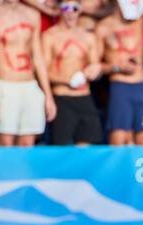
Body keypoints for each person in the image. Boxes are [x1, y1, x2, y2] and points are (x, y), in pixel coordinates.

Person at [0, 0, 55, 146]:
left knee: (28, 141)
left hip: (29, 85)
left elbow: (38, 57)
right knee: (5, 142)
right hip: (5, 85)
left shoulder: (32, 15)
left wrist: (48, 95)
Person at [97, 0, 143, 146]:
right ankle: (120, 169)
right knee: (119, 139)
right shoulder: (103, 27)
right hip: (120, 86)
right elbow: (95, 67)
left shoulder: (139, 20)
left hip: (141, 85)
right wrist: (116, 67)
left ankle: (142, 170)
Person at [43, 0, 104, 145]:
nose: (70, 13)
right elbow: (43, 72)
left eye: (74, 9)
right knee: (61, 148)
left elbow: (96, 67)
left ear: (80, 10)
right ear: (59, 10)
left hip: (84, 97)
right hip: (62, 97)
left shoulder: (88, 37)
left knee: (88, 146)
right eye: (66, 8)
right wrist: (68, 80)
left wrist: (94, 71)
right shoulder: (49, 36)